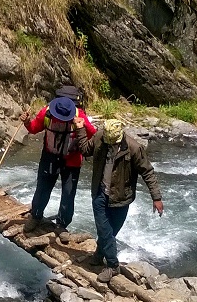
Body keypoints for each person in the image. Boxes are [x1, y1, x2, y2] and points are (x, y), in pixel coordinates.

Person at [78, 119, 164, 283]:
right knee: (104, 230)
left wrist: (156, 197)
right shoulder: (100, 137)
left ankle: (98, 254)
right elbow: (84, 149)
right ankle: (113, 266)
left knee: (111, 231)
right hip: (100, 193)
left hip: (121, 198)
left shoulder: (134, 148)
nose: (109, 144)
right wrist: (80, 129)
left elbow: (148, 173)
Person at [21, 90, 97, 233]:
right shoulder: (46, 113)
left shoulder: (80, 116)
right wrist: (26, 122)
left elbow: (94, 135)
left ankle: (62, 226)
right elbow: (33, 129)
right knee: (42, 188)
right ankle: (36, 216)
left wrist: (82, 127)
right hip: (50, 157)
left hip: (72, 160)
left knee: (68, 194)